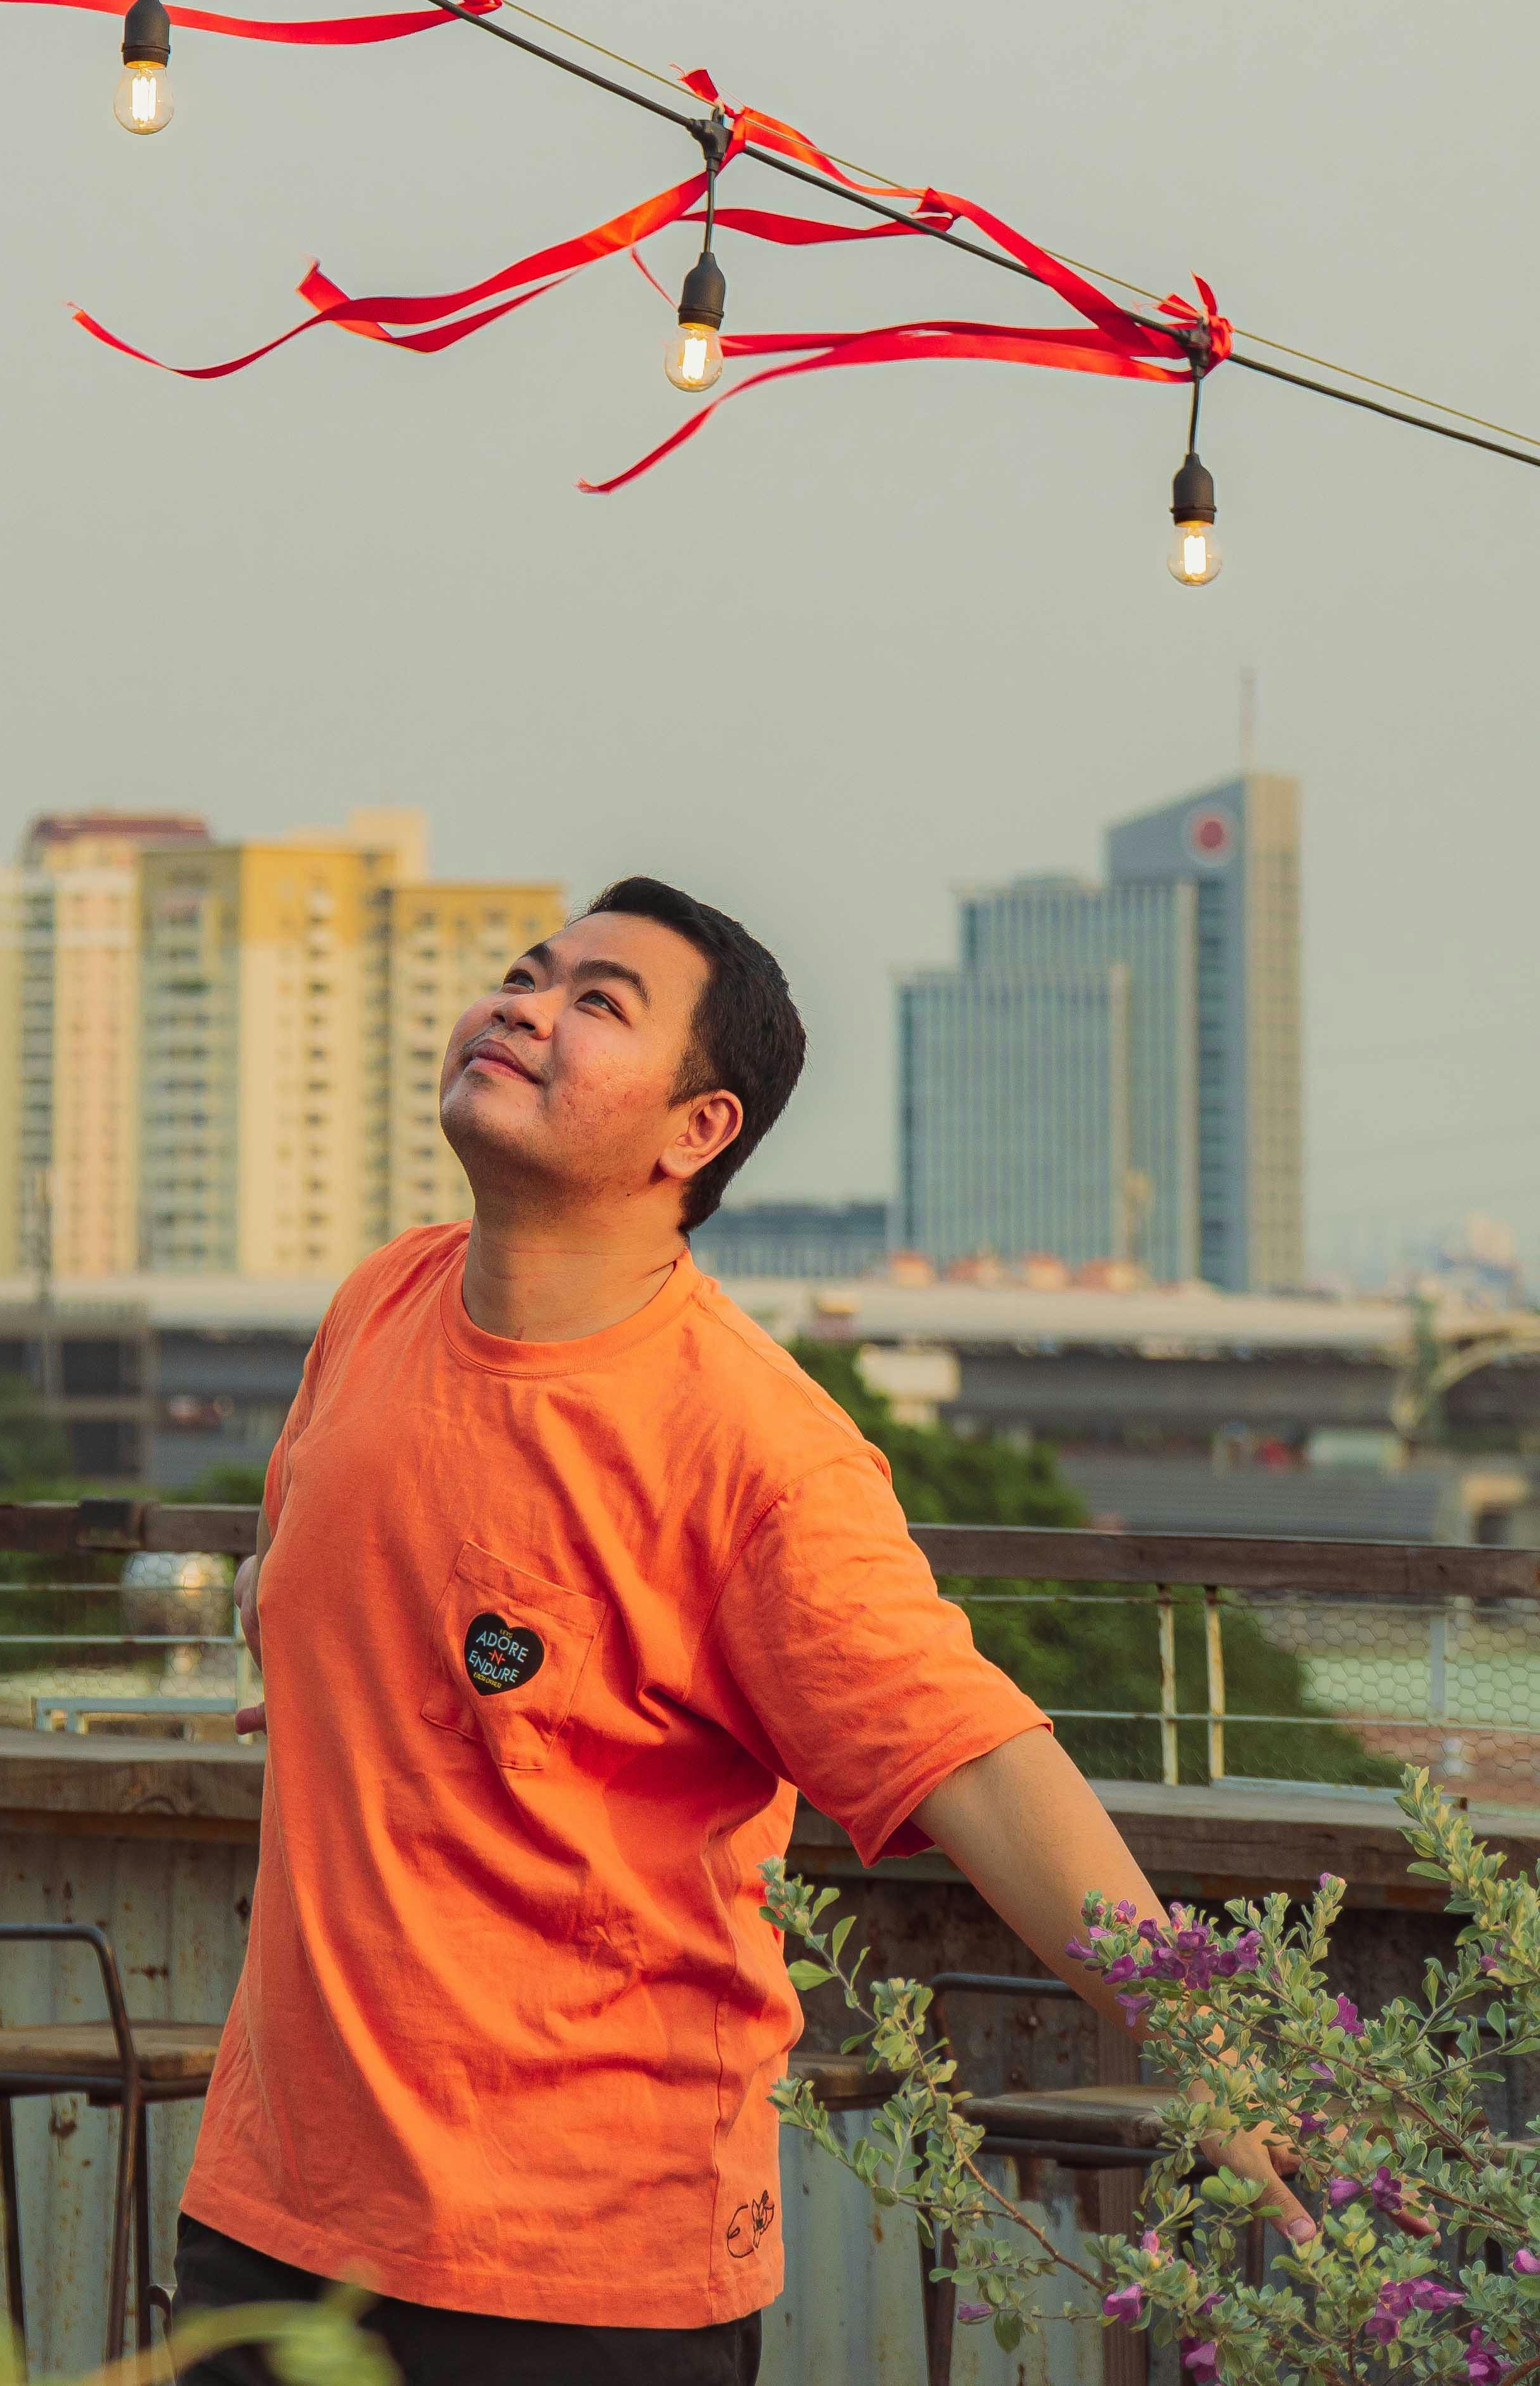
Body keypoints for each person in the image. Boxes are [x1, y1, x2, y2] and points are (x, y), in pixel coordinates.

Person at [171, 876, 1307, 2383]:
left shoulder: (753, 1449)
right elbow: (302, 1547)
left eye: (595, 1003)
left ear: (692, 1131)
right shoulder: (381, 1301)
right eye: (524, 974)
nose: (522, 1007)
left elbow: (978, 1763)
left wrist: (1210, 2055)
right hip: (271, 2219)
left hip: (575, 2281)